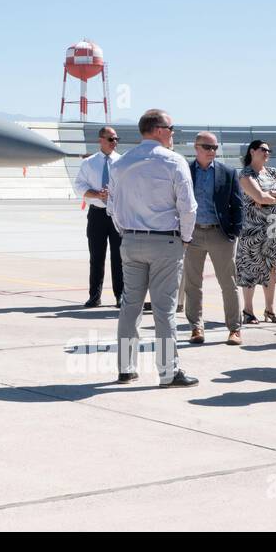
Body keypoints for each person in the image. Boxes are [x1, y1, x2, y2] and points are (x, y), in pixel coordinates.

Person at [107, 109, 198, 388]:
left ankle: (126, 368)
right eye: (171, 128)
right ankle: (168, 372)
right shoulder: (174, 161)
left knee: (130, 307)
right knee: (164, 310)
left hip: (131, 241)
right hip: (165, 242)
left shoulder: (120, 164)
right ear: (158, 129)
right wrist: (184, 238)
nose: (173, 134)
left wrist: (127, 232)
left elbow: (113, 206)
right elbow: (187, 207)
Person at [181, 132, 246, 345]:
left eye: (215, 147)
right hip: (193, 234)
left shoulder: (227, 172)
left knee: (228, 283)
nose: (212, 151)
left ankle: (235, 329)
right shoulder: (184, 171)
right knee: (192, 284)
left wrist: (234, 232)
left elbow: (238, 205)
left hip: (220, 234)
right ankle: (196, 327)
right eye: (207, 147)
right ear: (196, 147)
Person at [236, 140, 276, 324]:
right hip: (253, 227)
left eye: (269, 150)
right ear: (252, 151)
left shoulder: (273, 172)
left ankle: (269, 310)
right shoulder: (246, 174)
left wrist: (270, 198)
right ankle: (248, 311)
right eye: (263, 149)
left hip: (274, 225)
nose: (267, 153)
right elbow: (258, 196)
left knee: (272, 266)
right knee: (250, 266)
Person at [73, 126, 123, 307]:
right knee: (96, 256)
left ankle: (121, 295)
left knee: (119, 257)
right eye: (110, 139)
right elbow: (78, 186)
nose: (114, 142)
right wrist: (96, 194)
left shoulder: (122, 161)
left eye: (116, 139)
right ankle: (95, 295)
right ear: (100, 140)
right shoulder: (89, 163)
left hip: (117, 214)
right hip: (97, 214)